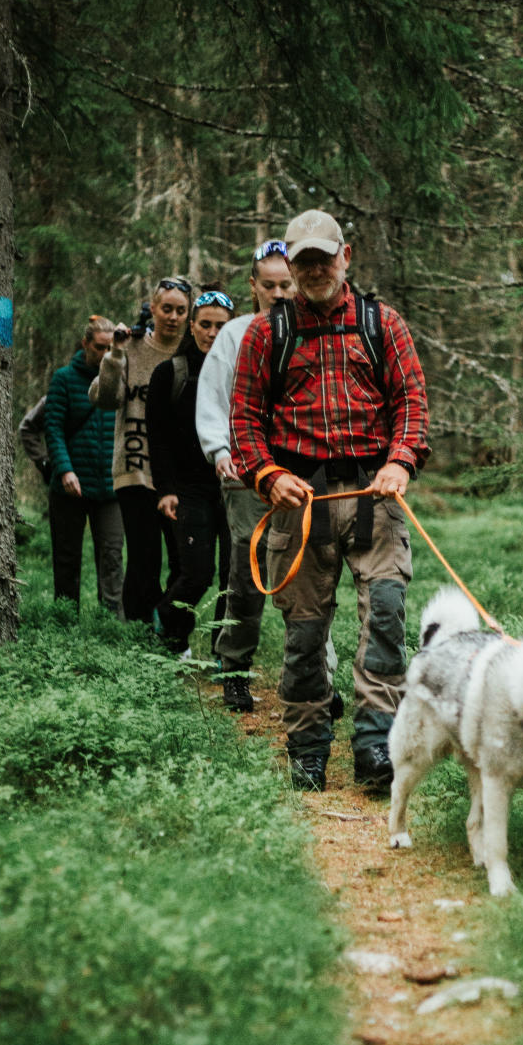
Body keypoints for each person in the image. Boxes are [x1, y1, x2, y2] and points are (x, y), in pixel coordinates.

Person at [230, 210, 430, 792]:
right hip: (299, 502)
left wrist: (399, 461)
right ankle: (308, 746)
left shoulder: (382, 323)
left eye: (325, 258)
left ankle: (375, 743)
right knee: (304, 634)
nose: (316, 269)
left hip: (375, 495)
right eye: (304, 261)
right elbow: (244, 421)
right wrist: (268, 475)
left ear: (347, 255)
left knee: (386, 617)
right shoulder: (266, 333)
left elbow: (411, 403)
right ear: (291, 266)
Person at [196, 240, 295, 710]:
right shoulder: (235, 334)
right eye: (269, 285)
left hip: (300, 471)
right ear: (253, 286)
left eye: (286, 284)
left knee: (306, 575)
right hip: (247, 473)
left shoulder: (310, 330)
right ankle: (235, 668)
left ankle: (312, 675)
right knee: (248, 573)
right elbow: (213, 396)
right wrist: (219, 451)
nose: (278, 293)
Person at [89, 277, 192, 623]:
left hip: (179, 475)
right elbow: (104, 399)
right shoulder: (131, 347)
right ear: (153, 307)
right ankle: (139, 632)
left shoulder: (191, 352)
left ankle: (170, 628)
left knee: (183, 560)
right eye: (167, 308)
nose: (173, 317)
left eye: (181, 310)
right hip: (135, 469)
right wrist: (115, 354)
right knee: (144, 560)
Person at [146, 288, 234, 656]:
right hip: (188, 489)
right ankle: (171, 633)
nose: (212, 333)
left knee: (233, 576)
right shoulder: (170, 373)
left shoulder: (241, 372)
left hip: (233, 485)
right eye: (206, 324)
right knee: (197, 573)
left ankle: (225, 654)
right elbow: (158, 439)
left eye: (221, 326)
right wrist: (166, 489)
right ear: (192, 326)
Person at [43, 315, 123, 617]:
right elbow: (53, 428)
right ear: (85, 344)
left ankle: (111, 622)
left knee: (112, 555)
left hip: (110, 486)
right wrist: (65, 470)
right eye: (99, 347)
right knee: (67, 558)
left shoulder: (121, 376)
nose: (104, 354)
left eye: (109, 348)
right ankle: (65, 620)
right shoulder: (64, 378)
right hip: (70, 485)